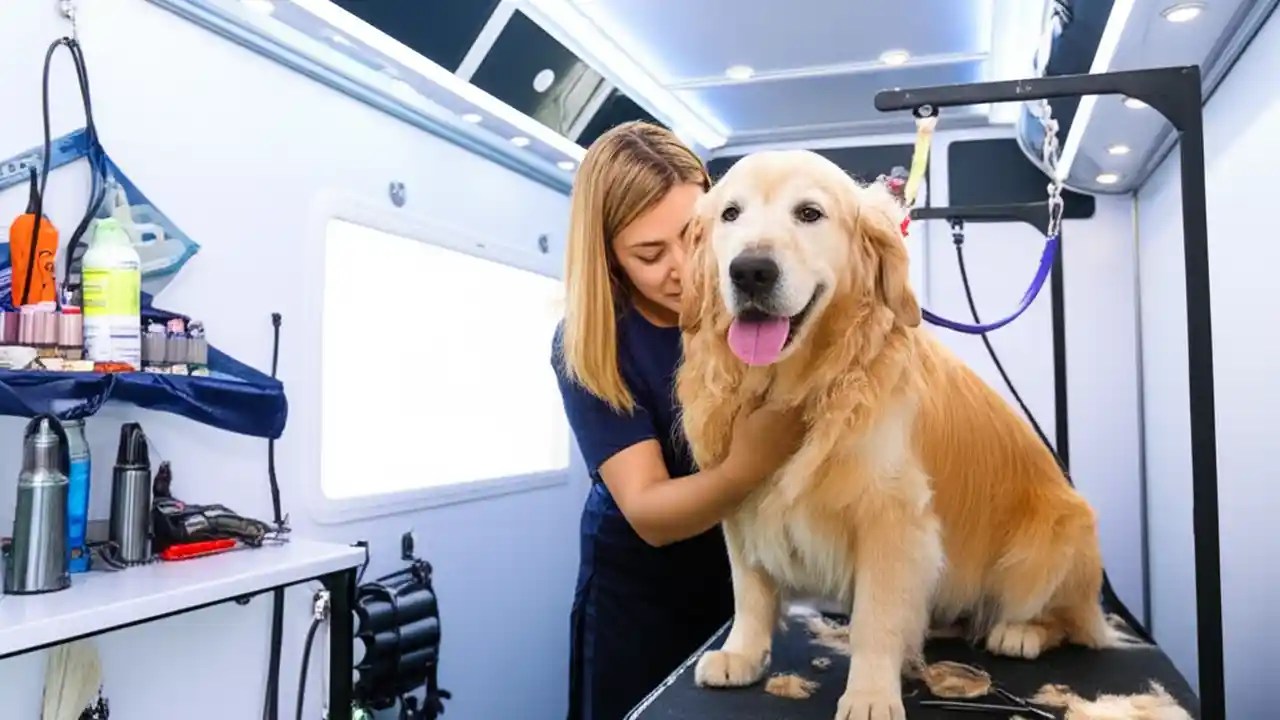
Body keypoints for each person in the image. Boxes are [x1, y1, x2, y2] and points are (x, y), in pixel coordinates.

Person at [550, 120, 806, 720]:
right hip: (641, 596)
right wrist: (748, 466)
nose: (685, 267)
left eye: (696, 235)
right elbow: (649, 512)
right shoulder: (593, 343)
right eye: (649, 254)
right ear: (609, 259)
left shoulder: (759, 301)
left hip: (746, 578)